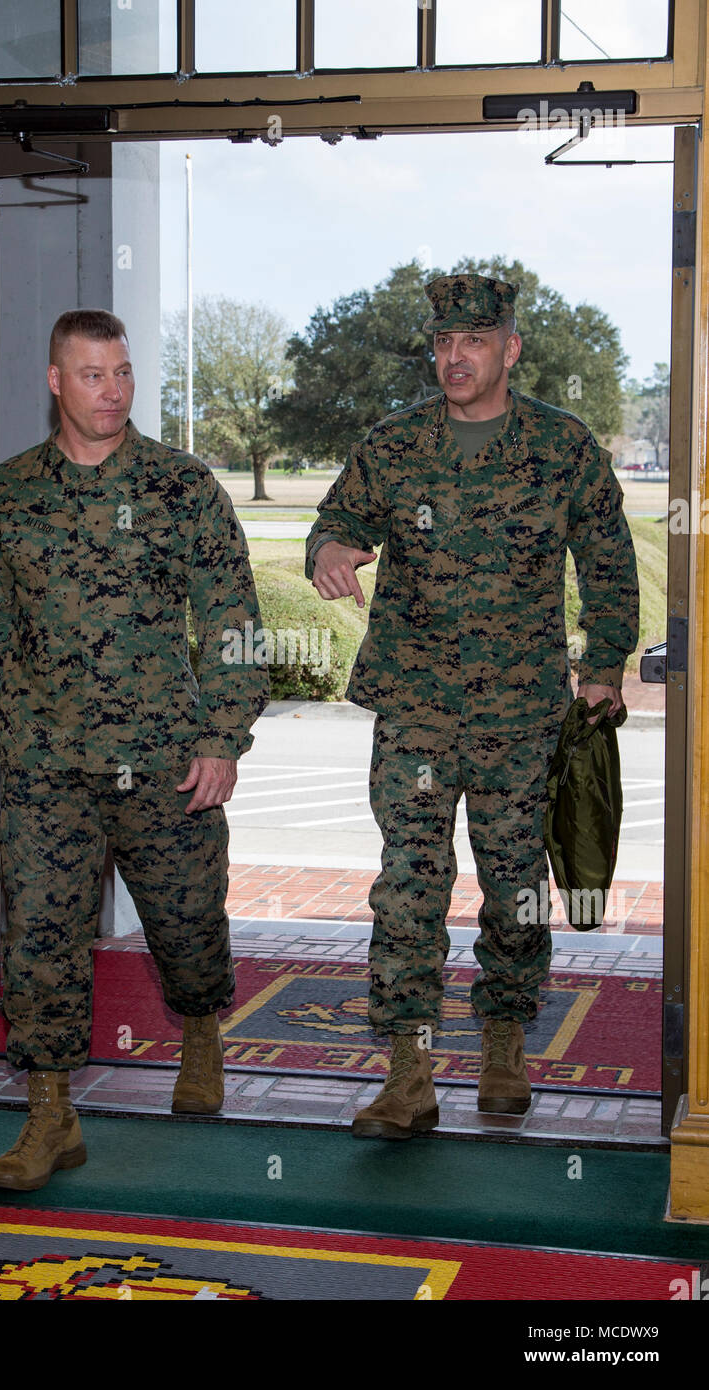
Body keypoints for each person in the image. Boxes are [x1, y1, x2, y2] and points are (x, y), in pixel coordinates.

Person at [0, 308, 269, 1189]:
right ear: (55, 382)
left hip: (167, 760)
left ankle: (201, 1034)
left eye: (123, 372)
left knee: (189, 924)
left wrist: (223, 736)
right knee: (43, 938)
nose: (113, 391)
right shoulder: (9, 497)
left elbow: (234, 619)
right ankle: (51, 1114)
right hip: (45, 762)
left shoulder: (182, 486)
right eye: (93, 375)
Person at [306, 273, 639, 1139]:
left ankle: (502, 1039)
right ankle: (408, 1071)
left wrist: (604, 666)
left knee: (515, 884)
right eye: (445, 343)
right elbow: (338, 518)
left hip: (521, 712)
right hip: (414, 709)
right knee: (408, 889)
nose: (456, 357)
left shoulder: (561, 448)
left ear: (510, 348)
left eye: (475, 342)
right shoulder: (395, 443)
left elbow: (605, 557)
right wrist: (332, 548)